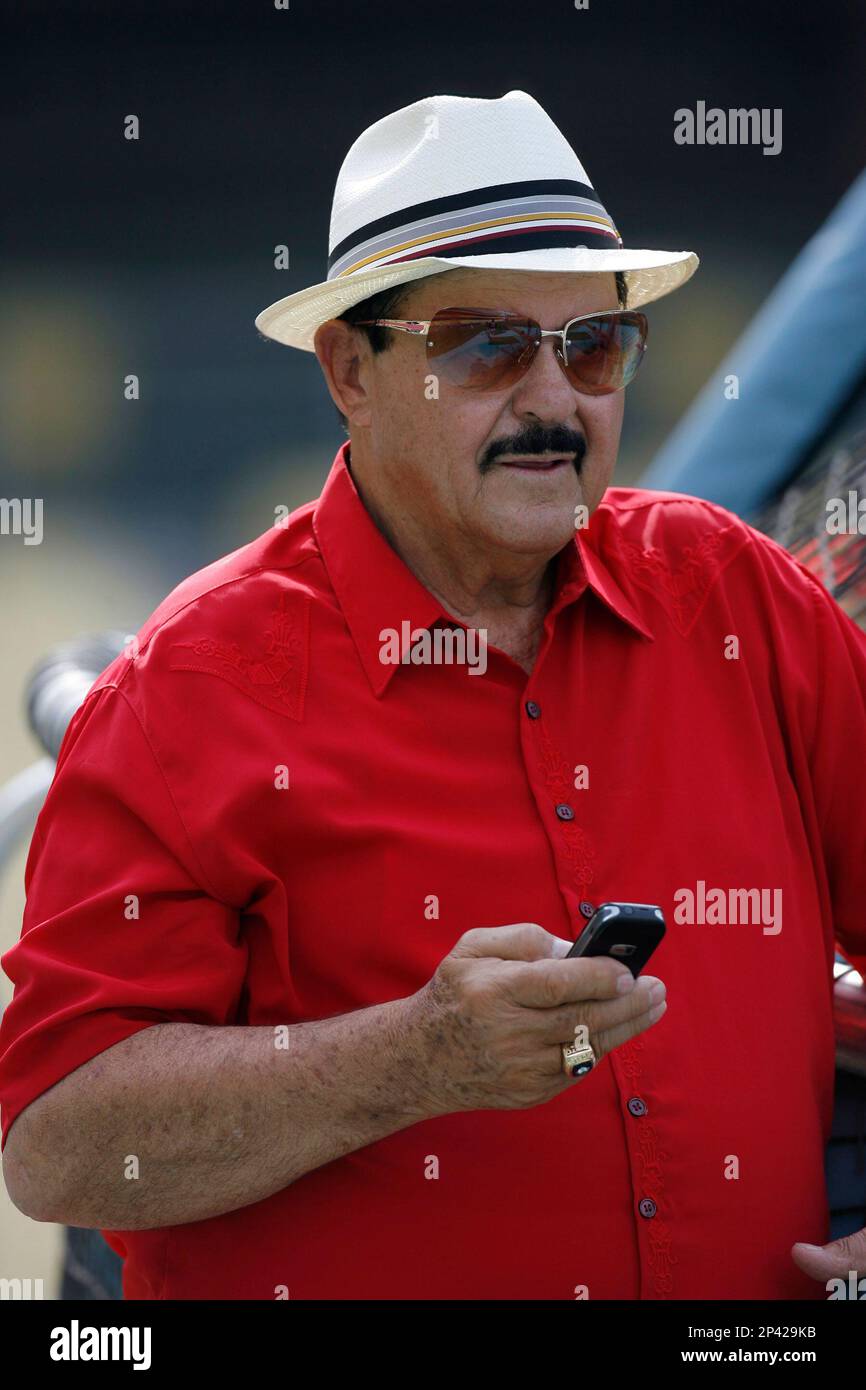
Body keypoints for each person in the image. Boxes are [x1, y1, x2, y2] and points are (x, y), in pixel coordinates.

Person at [2, 90, 866, 1301]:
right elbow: (60, 1142)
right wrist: (414, 1058)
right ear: (350, 369)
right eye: (485, 346)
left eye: (594, 345)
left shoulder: (744, 601)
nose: (555, 400)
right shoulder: (183, 687)